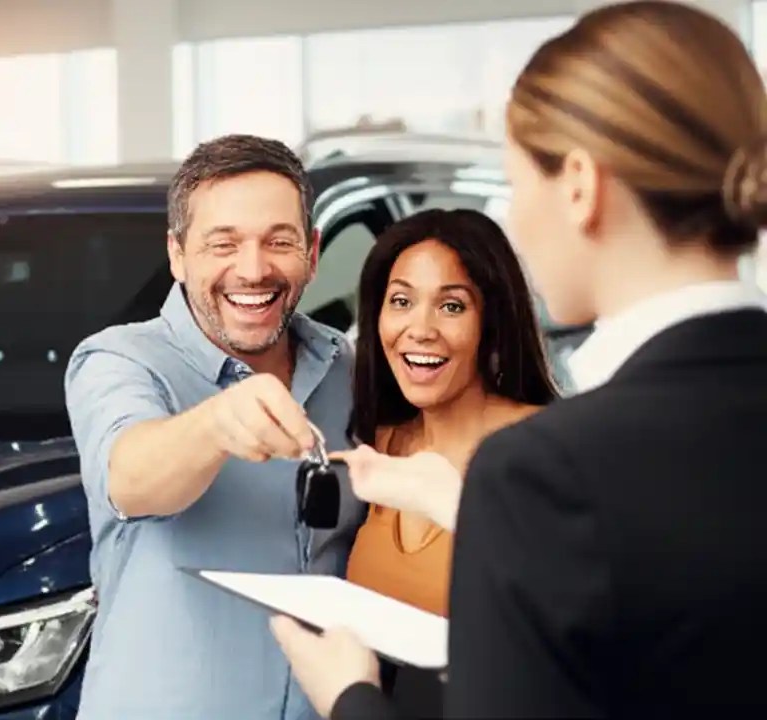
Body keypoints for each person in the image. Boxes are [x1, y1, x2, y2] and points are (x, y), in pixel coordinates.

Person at [270, 1, 767, 717]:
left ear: (579, 187)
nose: (519, 226)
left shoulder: (547, 471)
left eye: (517, 186)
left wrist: (350, 696)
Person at [65, 134, 366, 719]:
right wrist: (216, 425)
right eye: (222, 244)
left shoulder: (348, 370)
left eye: (278, 242)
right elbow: (129, 477)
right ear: (177, 255)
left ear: (312, 251)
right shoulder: (119, 361)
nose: (252, 270)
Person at [339, 209, 560, 716]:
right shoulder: (381, 443)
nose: (420, 329)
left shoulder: (544, 449)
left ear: (493, 324)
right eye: (401, 301)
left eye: (452, 307)